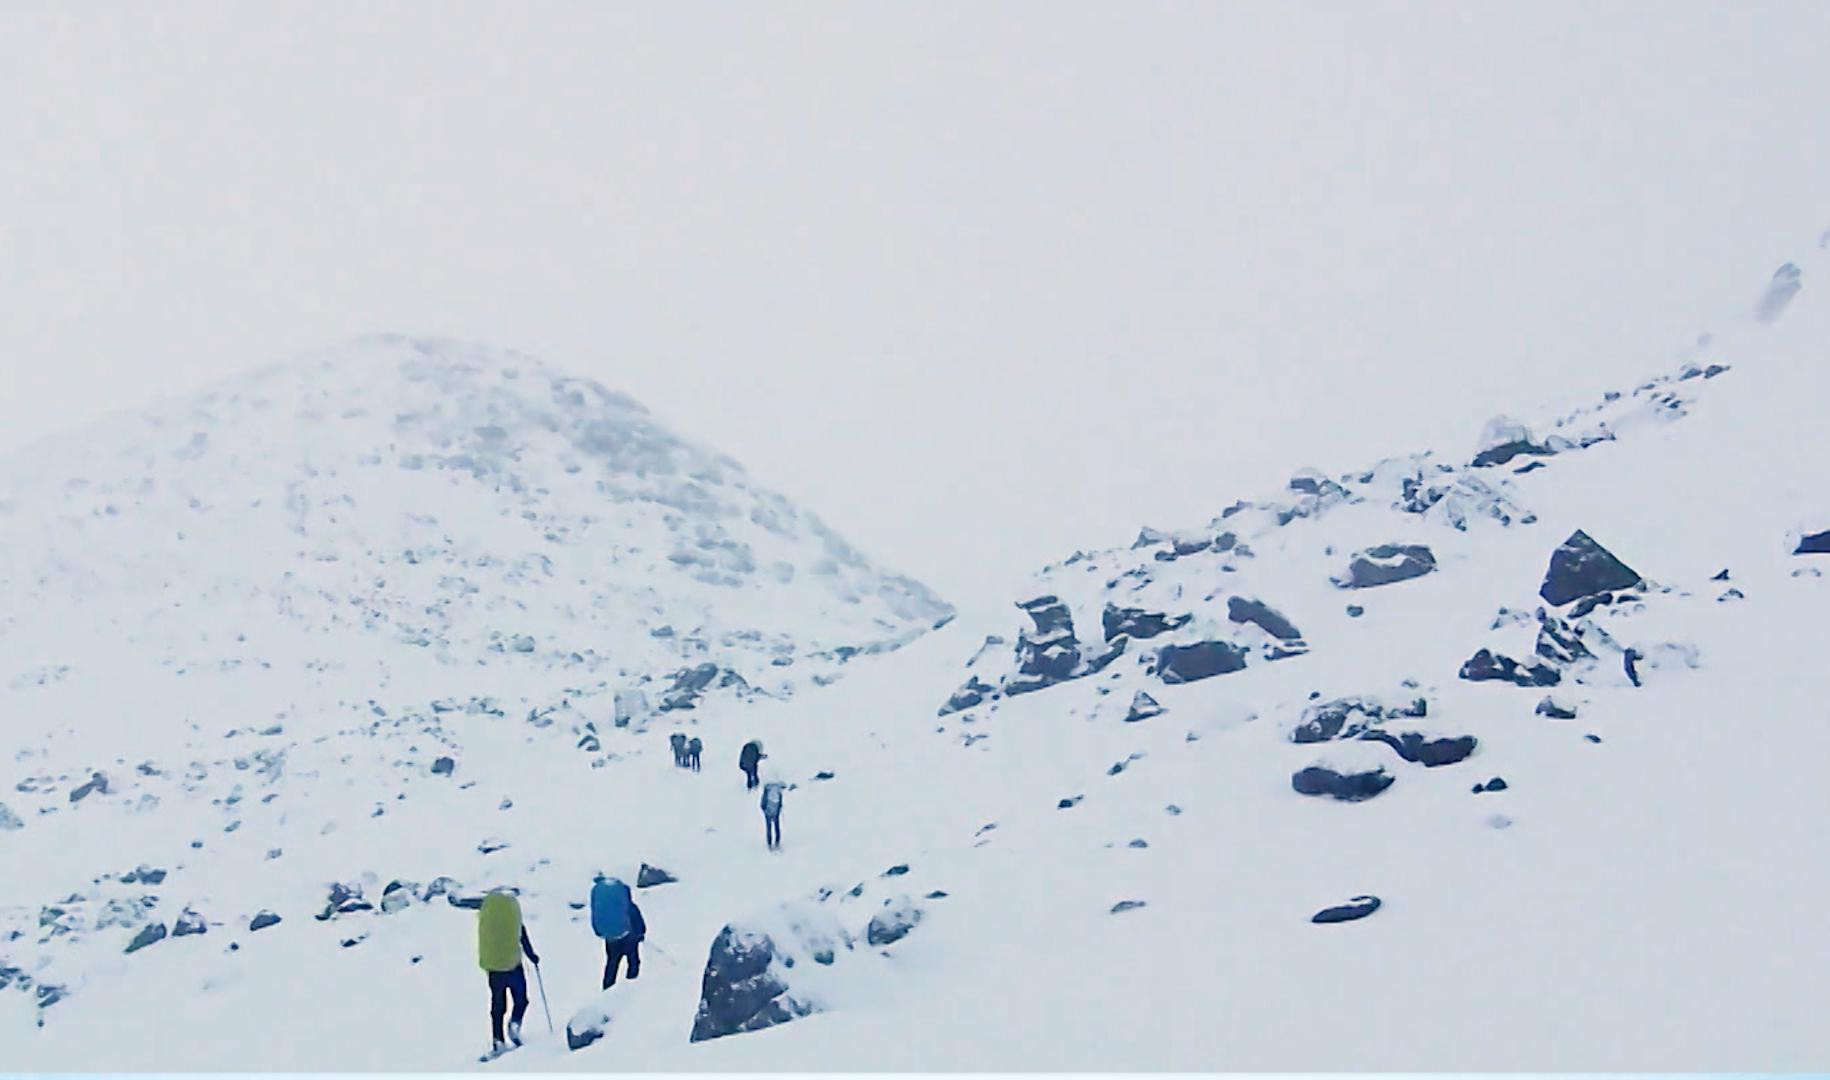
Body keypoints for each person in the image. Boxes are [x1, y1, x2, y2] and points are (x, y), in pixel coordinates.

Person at [477, 889, 540, 1056]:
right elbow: (522, 934)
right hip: (513, 966)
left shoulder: (487, 916)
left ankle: (498, 1040)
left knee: (498, 1004)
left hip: (494, 968)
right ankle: (514, 1025)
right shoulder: (512, 915)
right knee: (521, 1000)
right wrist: (532, 955)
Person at [590, 874, 647, 989]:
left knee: (612, 963)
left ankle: (607, 988)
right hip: (628, 936)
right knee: (633, 962)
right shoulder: (628, 906)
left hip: (610, 938)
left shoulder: (607, 906)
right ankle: (630, 988)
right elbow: (636, 918)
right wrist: (641, 933)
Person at [760, 780, 785, 850]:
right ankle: (772, 843)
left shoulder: (769, 789)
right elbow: (763, 803)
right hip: (771, 810)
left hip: (773, 810)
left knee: (772, 828)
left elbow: (762, 802)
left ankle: (773, 843)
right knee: (773, 827)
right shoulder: (775, 790)